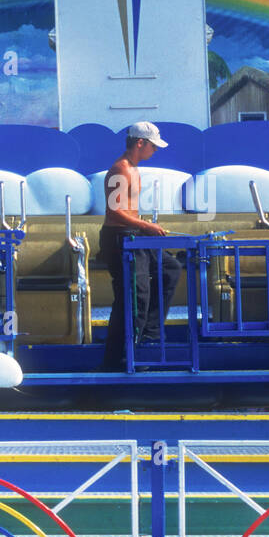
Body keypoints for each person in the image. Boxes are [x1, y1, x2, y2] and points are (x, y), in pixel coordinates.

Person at [98, 121, 181, 371]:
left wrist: (144, 226)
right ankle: (121, 359)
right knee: (134, 296)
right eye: (153, 146)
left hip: (134, 234)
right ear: (140, 143)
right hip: (120, 237)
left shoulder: (133, 169)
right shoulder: (120, 169)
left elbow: (127, 209)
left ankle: (148, 333)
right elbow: (114, 212)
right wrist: (145, 226)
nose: (155, 151)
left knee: (170, 269)